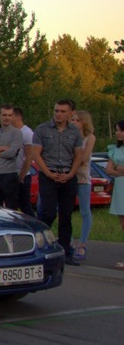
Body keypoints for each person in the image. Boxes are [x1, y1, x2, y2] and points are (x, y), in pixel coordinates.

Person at [29, 99, 84, 263]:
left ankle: (65, 251)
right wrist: (48, 173)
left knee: (66, 215)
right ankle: (39, 246)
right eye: (56, 111)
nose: (58, 114)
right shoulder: (42, 129)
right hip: (48, 175)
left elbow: (78, 156)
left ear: (70, 113)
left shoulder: (74, 132)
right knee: (48, 212)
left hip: (68, 175)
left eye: (62, 111)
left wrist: (70, 174)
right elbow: (36, 154)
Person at [69, 110, 97, 263]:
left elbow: (84, 158)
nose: (74, 122)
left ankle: (83, 243)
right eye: (73, 120)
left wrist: (72, 161)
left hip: (82, 178)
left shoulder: (89, 138)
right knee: (66, 210)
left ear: (84, 122)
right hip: (69, 177)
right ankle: (70, 241)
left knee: (85, 211)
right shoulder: (70, 136)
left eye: (77, 120)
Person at [104, 120, 124, 270]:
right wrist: (119, 168)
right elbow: (108, 169)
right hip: (120, 187)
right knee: (123, 224)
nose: (118, 133)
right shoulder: (115, 149)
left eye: (120, 130)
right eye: (117, 130)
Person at [13, 107, 36, 215]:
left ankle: (34, 227)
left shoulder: (27, 133)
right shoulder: (12, 132)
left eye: (10, 116)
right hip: (10, 173)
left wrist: (21, 176)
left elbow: (29, 156)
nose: (7, 118)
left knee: (24, 206)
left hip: (22, 176)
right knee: (11, 206)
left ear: (17, 118)